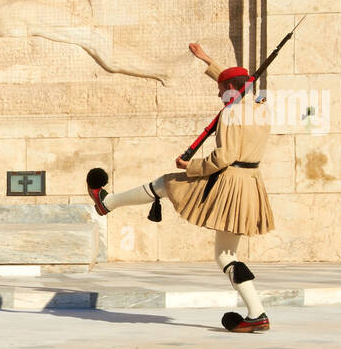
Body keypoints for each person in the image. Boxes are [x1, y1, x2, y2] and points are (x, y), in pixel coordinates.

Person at [85, 42, 275, 332]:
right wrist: (208, 61)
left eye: (220, 89)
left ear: (230, 90)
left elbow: (224, 157)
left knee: (168, 183)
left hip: (227, 182)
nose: (218, 93)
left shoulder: (231, 114)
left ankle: (106, 203)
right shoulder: (261, 108)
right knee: (227, 254)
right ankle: (257, 313)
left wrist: (191, 166)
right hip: (251, 185)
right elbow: (237, 85)